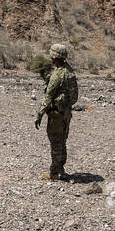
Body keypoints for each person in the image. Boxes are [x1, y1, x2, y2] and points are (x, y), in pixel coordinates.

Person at [35, 43, 78, 180]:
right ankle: (61, 167)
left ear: (55, 56)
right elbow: (72, 95)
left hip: (56, 114)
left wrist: (39, 114)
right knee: (62, 140)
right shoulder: (70, 71)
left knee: (55, 141)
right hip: (66, 113)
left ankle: (54, 172)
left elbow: (48, 97)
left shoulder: (57, 74)